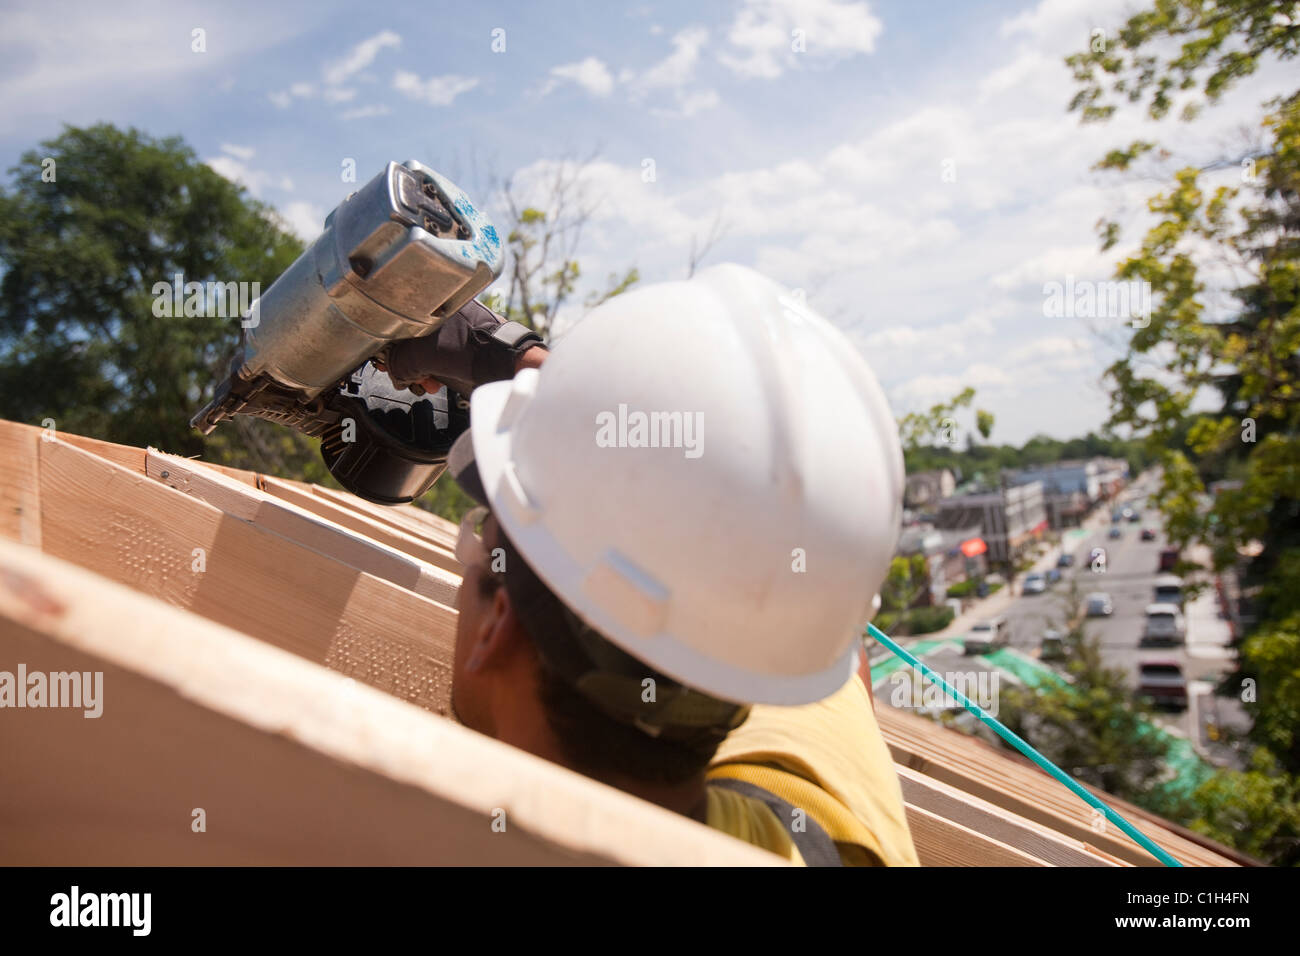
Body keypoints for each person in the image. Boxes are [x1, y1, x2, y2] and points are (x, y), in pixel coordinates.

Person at [381, 264, 919, 866]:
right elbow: (773, 542)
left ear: (497, 627)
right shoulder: (830, 833)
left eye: (483, 533)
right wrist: (516, 362)